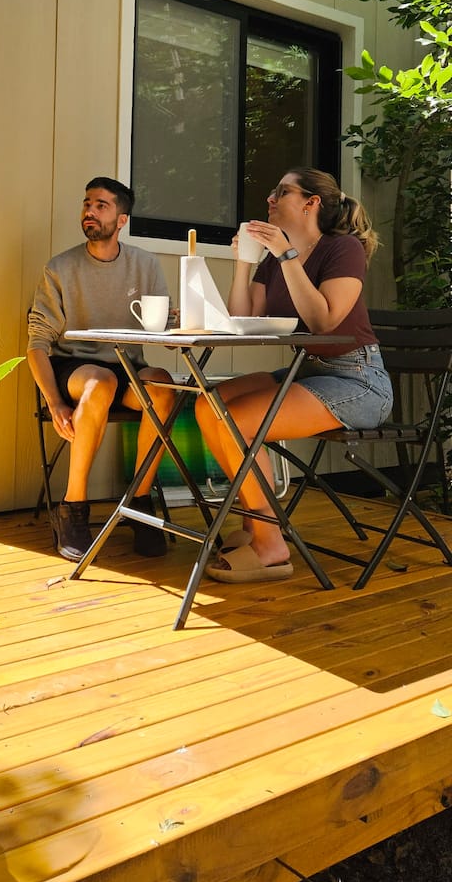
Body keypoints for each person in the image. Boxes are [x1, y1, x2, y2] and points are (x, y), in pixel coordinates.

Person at [195, 167, 394, 584]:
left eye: (282, 192)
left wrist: (287, 256)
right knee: (207, 404)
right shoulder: (273, 260)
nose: (270, 199)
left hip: (358, 380)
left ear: (311, 203)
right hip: (308, 371)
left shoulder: (342, 249)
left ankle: (270, 544)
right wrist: (244, 264)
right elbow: (243, 319)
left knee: (243, 422)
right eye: (272, 191)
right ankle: (255, 525)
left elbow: (324, 322)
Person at [28, 176, 176, 562]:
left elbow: (159, 330)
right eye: (87, 204)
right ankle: (73, 507)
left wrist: (176, 324)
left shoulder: (144, 264)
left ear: (121, 219)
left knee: (163, 387)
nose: (90, 211)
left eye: (101, 205)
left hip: (127, 365)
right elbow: (37, 345)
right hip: (75, 368)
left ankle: (141, 502)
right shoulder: (60, 268)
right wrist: (56, 403)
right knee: (100, 382)